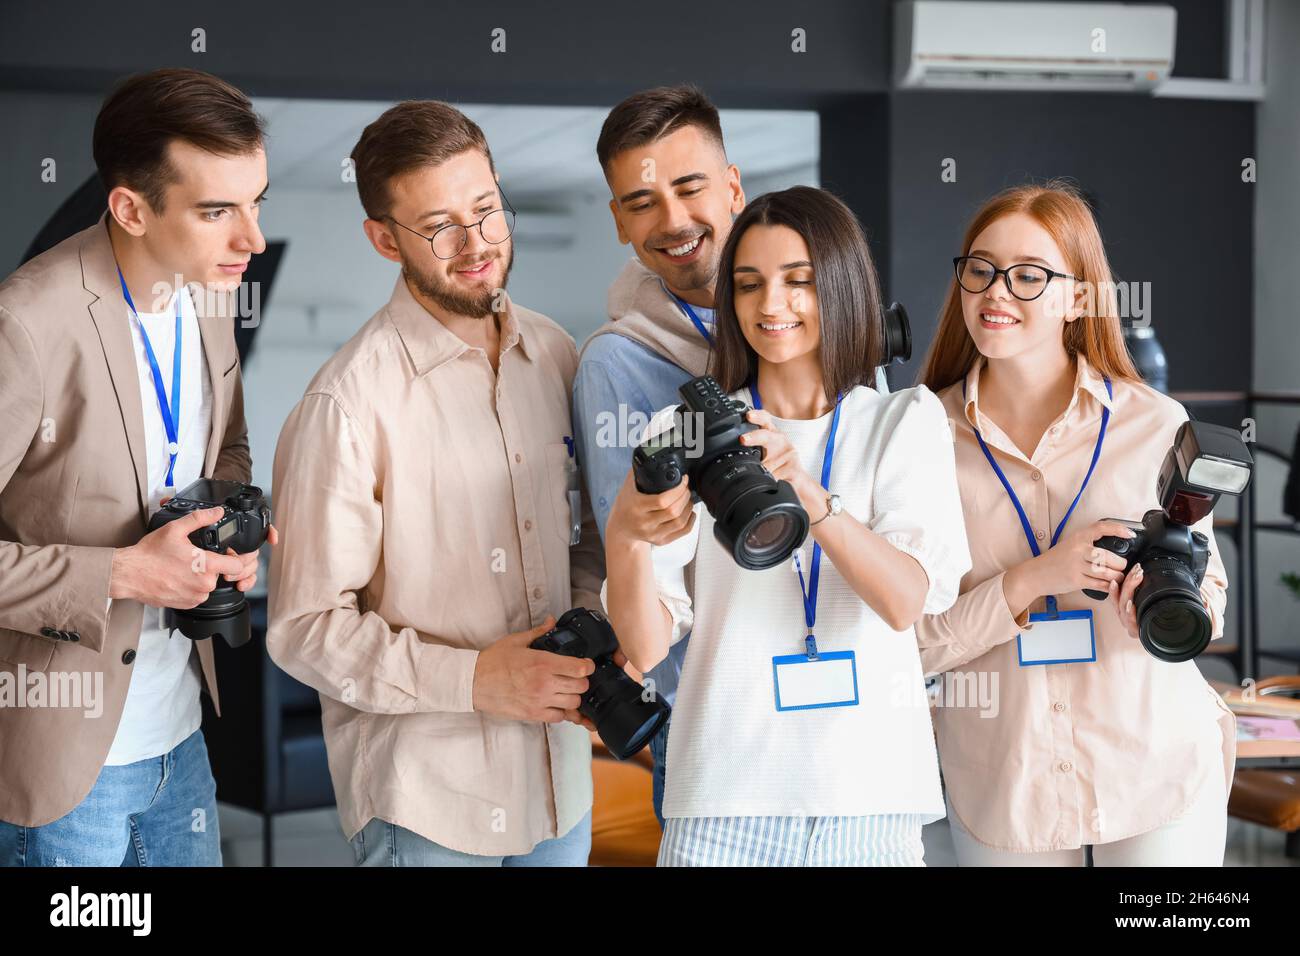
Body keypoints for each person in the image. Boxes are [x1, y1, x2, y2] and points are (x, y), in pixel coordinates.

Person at [267, 100, 605, 867]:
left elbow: (582, 541)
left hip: (562, 790)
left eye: (486, 210)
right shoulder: (346, 403)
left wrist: (589, 640)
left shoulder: (555, 353)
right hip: (429, 808)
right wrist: (478, 679)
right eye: (438, 226)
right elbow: (305, 626)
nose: (476, 244)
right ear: (384, 239)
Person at [603, 186, 971, 866]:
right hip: (723, 804)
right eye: (748, 285)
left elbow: (905, 601)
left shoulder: (902, 422)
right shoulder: (687, 433)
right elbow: (646, 644)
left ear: (841, 286)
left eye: (798, 282)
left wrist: (808, 490)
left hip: (872, 803)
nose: (771, 306)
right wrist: (626, 534)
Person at [914, 180, 1235, 866]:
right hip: (1004, 778)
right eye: (980, 270)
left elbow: (1212, 595)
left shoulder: (1154, 422)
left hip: (1154, 762)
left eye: (1029, 276)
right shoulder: (916, 436)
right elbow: (909, 643)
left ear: (1079, 297)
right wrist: (1029, 581)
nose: (996, 292)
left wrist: (1164, 600)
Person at [0, 68, 272, 866]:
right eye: (217, 211)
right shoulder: (25, 325)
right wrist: (122, 574)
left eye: (257, 203)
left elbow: (228, 451)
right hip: (63, 765)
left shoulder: (212, 296)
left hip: (181, 738)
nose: (250, 239)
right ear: (130, 208)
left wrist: (230, 530)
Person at [573, 85, 745, 824]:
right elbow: (637, 567)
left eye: (690, 186)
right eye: (641, 202)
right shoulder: (616, 364)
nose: (672, 221)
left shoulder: (821, 323)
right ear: (618, 221)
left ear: (733, 185)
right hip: (714, 712)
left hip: (838, 692)